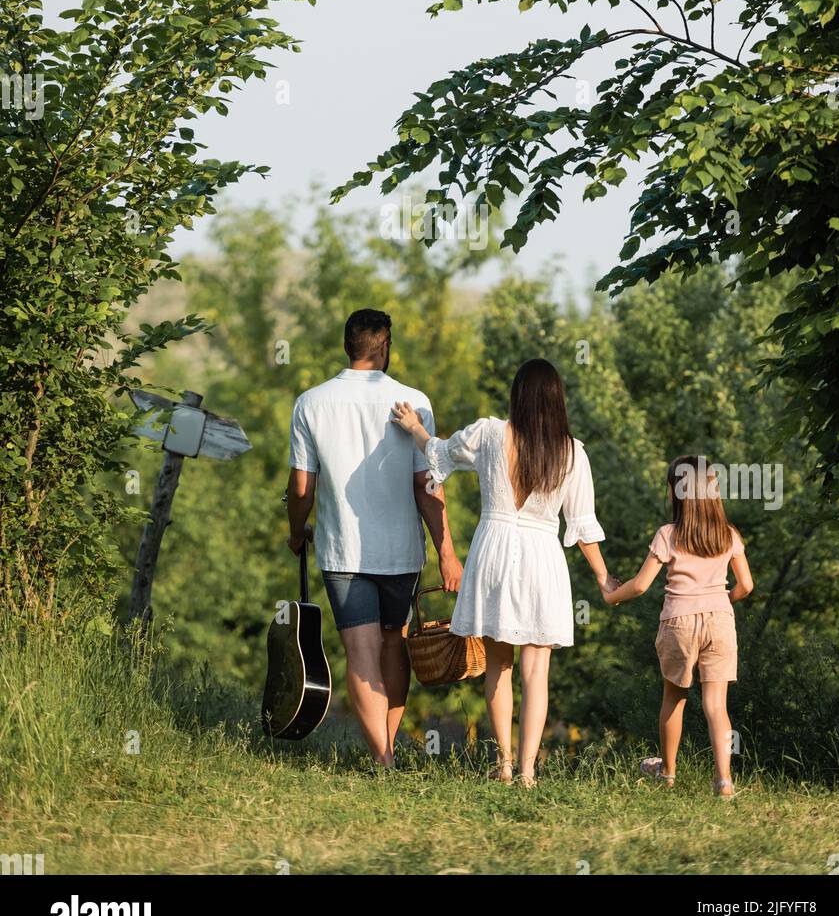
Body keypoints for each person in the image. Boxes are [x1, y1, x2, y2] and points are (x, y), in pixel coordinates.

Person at [391, 358, 614, 787]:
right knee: (536, 672)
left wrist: (413, 425)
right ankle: (529, 770)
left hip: (493, 550)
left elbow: (438, 452)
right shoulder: (572, 452)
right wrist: (604, 578)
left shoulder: (491, 433)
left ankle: (504, 765)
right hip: (542, 558)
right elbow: (583, 526)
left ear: (518, 395)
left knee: (498, 666)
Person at [285, 309, 463, 767]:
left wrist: (295, 530)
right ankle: (386, 750)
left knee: (359, 651)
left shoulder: (311, 403)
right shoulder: (413, 400)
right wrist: (447, 551)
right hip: (400, 550)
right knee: (392, 643)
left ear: (349, 345)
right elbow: (427, 487)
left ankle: (382, 760)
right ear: (384, 345)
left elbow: (301, 487)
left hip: (342, 550)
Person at [603, 455, 754, 797]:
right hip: (720, 621)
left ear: (676, 492)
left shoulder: (668, 534)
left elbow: (641, 585)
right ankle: (724, 780)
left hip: (679, 622)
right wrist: (721, 601)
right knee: (717, 705)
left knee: (675, 697)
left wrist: (611, 595)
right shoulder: (728, 534)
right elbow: (746, 586)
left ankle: (667, 773)